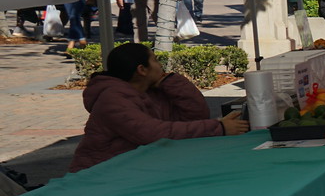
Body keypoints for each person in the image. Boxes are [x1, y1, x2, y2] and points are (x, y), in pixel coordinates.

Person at [70, 42, 249, 171]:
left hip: (135, 169)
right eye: (155, 60)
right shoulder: (113, 100)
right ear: (142, 69)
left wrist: (172, 82)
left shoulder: (153, 90)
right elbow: (154, 133)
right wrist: (219, 128)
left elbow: (195, 116)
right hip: (99, 174)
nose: (160, 65)